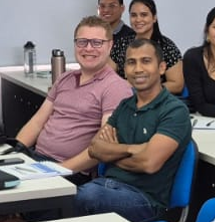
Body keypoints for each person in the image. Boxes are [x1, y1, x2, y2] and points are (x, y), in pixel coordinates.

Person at [79, 36, 192, 222]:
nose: (138, 69)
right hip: (105, 187)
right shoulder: (125, 105)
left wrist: (112, 153)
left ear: (162, 67)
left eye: (146, 61)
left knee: (82, 199)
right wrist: (132, 149)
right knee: (68, 197)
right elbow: (95, 148)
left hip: (145, 200)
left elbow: (149, 163)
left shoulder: (175, 110)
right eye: (131, 62)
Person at [15, 15, 131, 171]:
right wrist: (14, 152)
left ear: (110, 46)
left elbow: (103, 147)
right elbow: (37, 123)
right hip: (36, 161)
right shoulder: (65, 78)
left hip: (70, 171)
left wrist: (58, 171)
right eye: (82, 42)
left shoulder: (115, 87)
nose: (88, 48)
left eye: (97, 42)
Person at [110, 0, 183, 94]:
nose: (138, 20)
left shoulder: (166, 47)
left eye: (144, 15)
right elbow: (107, 77)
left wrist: (143, 88)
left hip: (156, 102)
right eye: (134, 15)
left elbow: (177, 84)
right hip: (123, 97)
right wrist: (123, 87)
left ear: (154, 18)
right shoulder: (121, 44)